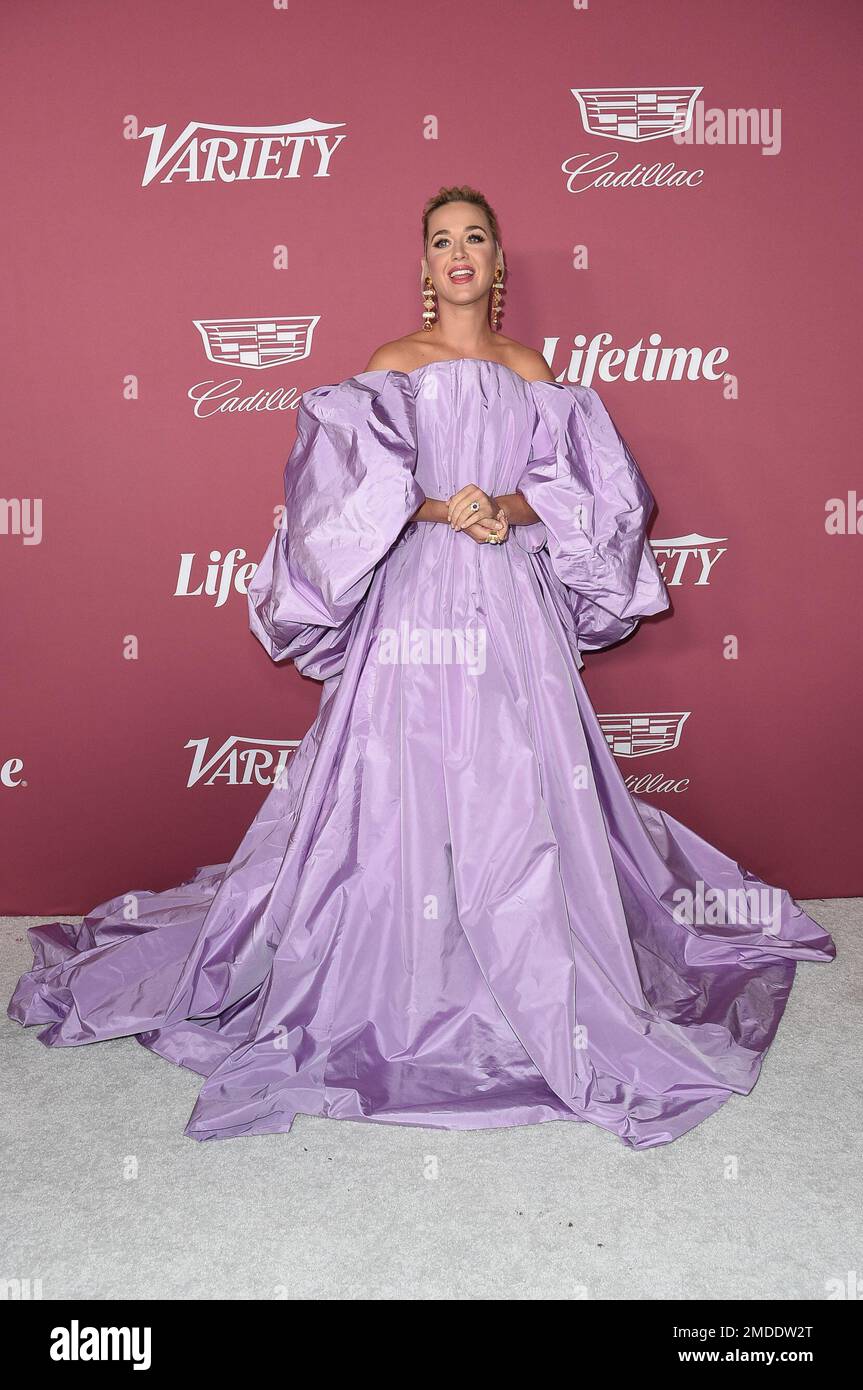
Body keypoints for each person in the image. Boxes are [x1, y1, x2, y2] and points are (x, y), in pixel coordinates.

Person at [8, 185, 835, 1149]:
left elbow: (574, 495)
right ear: (422, 265)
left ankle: (532, 968)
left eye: (474, 238)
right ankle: (396, 972)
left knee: (516, 783)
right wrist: (447, 510)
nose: (457, 253)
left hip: (510, 602)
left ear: (496, 266)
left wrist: (504, 511)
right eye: (440, 240)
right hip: (415, 599)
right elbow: (352, 502)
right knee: (398, 777)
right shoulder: (390, 367)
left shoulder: (532, 370)